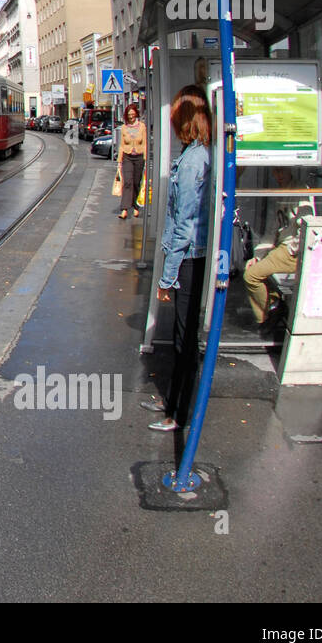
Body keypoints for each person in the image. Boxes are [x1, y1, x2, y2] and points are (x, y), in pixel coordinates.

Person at [143, 85, 213, 433]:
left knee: (185, 339)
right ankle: (172, 400)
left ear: (185, 121)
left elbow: (184, 225)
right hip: (191, 256)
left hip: (188, 259)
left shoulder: (192, 161)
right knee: (182, 336)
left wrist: (167, 277)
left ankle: (179, 413)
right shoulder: (197, 154)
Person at [241, 166, 313, 334]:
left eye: (281, 170)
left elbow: (306, 223)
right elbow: (272, 229)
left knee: (251, 276)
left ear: (290, 170)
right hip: (281, 247)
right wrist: (258, 255)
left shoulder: (299, 189)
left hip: (290, 250)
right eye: (275, 171)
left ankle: (268, 315)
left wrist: (292, 249)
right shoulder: (281, 191)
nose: (277, 175)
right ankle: (273, 308)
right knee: (253, 270)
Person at [116, 103, 147, 220]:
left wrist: (145, 158)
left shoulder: (142, 127)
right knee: (128, 182)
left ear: (136, 114)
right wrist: (119, 161)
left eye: (133, 115)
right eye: (129, 116)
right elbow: (122, 145)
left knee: (136, 182)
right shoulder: (124, 128)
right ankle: (124, 209)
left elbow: (144, 144)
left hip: (139, 157)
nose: (131, 117)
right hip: (127, 157)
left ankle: (135, 206)